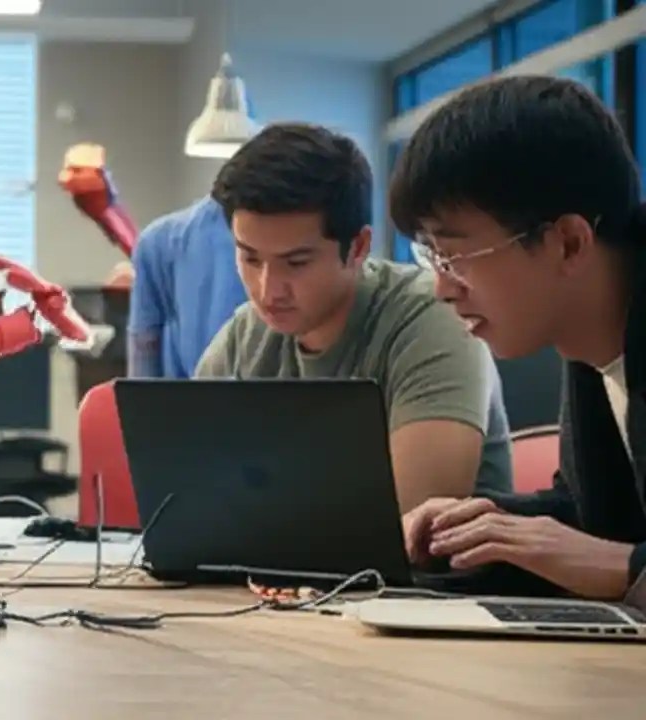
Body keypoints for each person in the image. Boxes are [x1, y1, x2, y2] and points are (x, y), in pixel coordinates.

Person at [392, 75, 646, 603]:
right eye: (432, 257)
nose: (441, 288)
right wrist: (489, 524)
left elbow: (610, 550)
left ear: (569, 244)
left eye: (455, 257)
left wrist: (625, 567)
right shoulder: (592, 339)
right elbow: (600, 514)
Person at [193, 122, 513, 513]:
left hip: (426, 574)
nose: (268, 290)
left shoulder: (433, 316)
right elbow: (190, 495)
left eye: (296, 262)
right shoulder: (245, 336)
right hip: (289, 571)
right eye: (250, 257)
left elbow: (413, 520)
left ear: (358, 247)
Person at [127, 195, 248, 378]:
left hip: (186, 399)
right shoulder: (159, 240)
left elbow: (144, 347)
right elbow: (144, 345)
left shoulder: (159, 238)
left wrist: (140, 405)